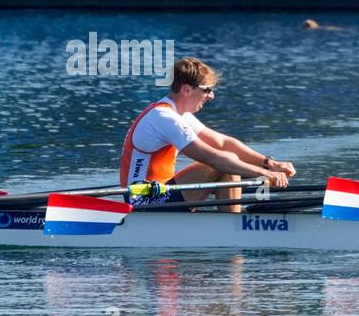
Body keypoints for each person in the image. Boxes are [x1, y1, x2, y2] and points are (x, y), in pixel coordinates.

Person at [119, 58, 294, 212]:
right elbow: (213, 159)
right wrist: (266, 174)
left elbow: (223, 142)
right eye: (207, 89)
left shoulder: (179, 115)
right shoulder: (164, 117)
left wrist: (270, 164)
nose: (211, 95)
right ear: (187, 89)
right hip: (142, 198)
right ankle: (233, 227)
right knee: (222, 162)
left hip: (160, 191)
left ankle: (232, 224)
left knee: (228, 160)